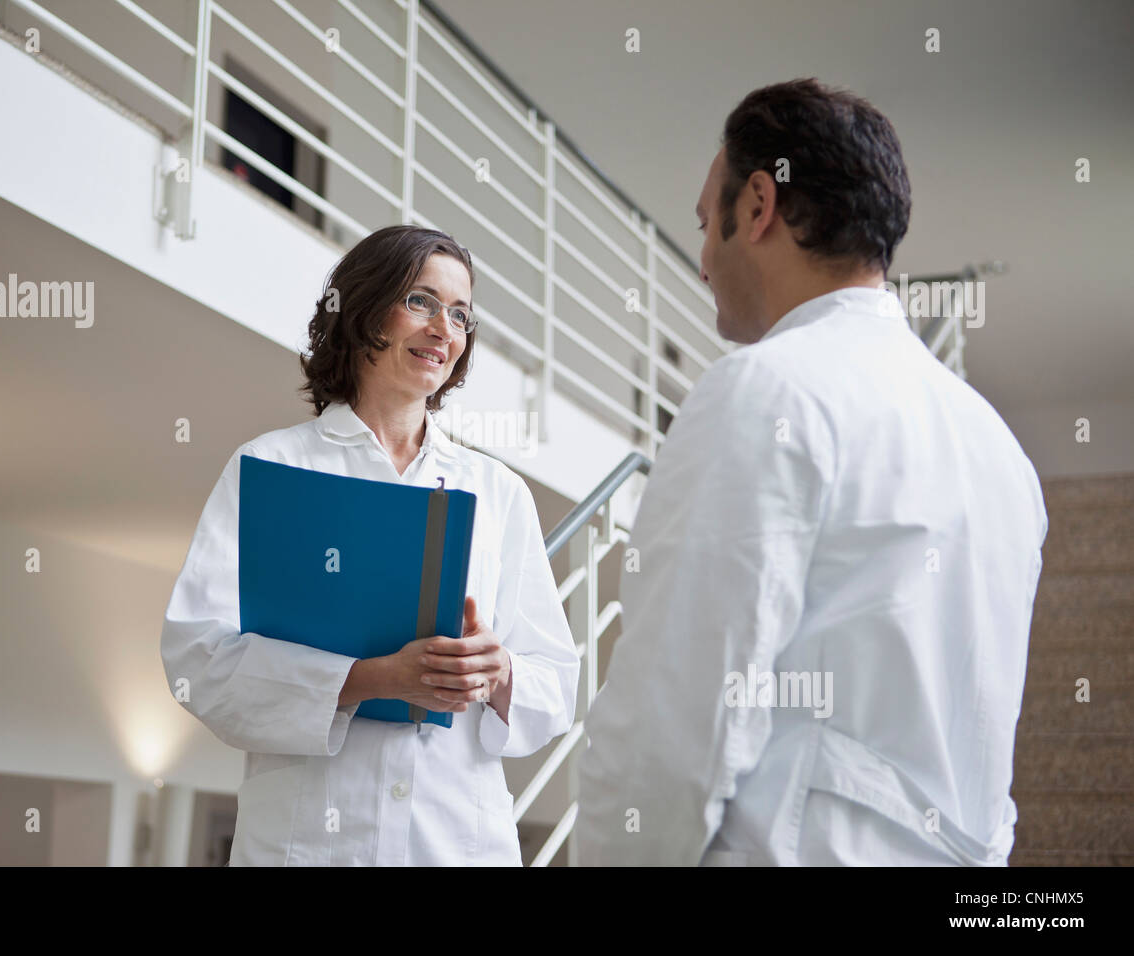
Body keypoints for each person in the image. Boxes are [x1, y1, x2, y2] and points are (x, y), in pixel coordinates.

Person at [574, 79, 1047, 866]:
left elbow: (675, 722)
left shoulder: (765, 389)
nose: (699, 262)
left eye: (704, 223)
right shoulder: (1000, 451)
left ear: (759, 204)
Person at [161, 225, 578, 866]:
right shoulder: (270, 467)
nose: (445, 328)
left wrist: (497, 672)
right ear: (361, 310)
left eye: (461, 314)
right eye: (421, 301)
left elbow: (554, 685)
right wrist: (369, 679)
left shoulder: (499, 492)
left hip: (454, 842)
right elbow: (200, 662)